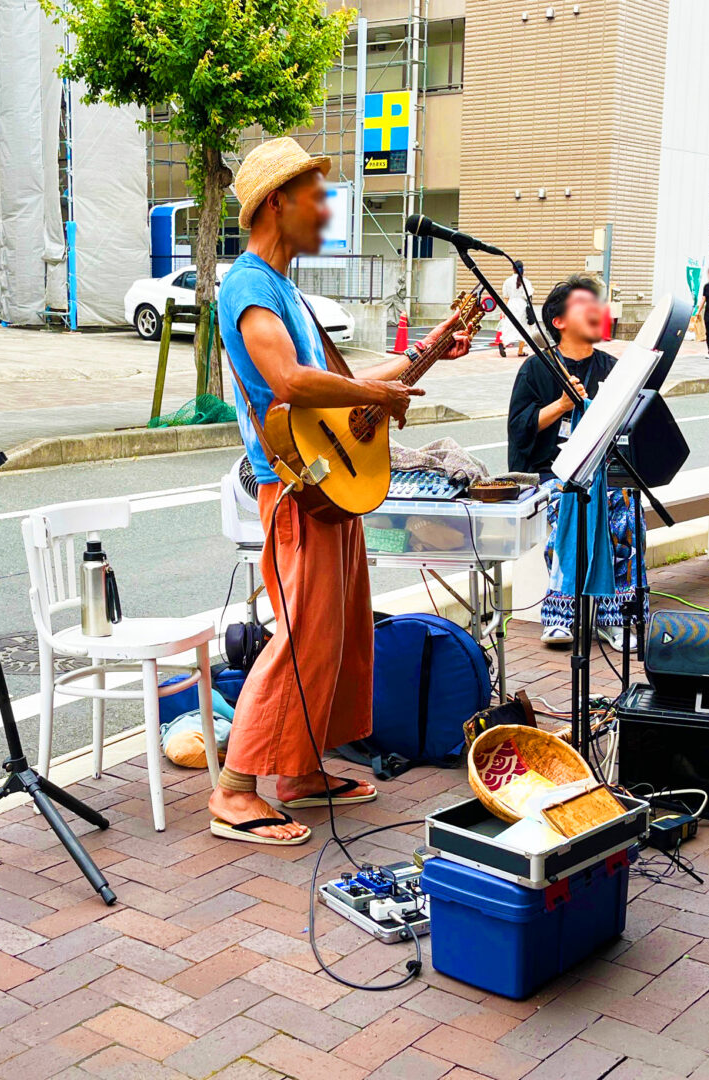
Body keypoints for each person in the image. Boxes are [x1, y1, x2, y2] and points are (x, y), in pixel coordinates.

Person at [210, 137, 469, 844]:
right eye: (316, 196)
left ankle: (297, 769)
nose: (327, 209)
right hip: (295, 490)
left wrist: (426, 353)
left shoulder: (287, 290)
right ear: (275, 204)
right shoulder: (248, 285)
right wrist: (376, 398)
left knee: (340, 637)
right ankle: (235, 791)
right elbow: (292, 383)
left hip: (330, 485)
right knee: (301, 640)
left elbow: (346, 381)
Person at [506, 276, 644, 647]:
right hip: (552, 473)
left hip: (604, 473)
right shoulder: (536, 370)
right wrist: (562, 405)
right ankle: (560, 614)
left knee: (625, 509)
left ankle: (615, 616)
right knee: (567, 504)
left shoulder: (612, 368)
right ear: (559, 322)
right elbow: (520, 429)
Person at [494, 267, 534, 358]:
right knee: (523, 327)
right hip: (522, 305)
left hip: (511, 305)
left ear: (513, 269)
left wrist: (504, 309)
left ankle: (503, 343)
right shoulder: (526, 281)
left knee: (509, 325)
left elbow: (505, 296)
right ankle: (520, 351)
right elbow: (529, 294)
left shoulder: (507, 281)